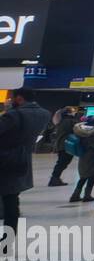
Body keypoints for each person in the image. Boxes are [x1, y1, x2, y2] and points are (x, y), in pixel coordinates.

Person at [0, 88, 52, 231]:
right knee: (11, 203)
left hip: (4, 160)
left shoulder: (13, 115)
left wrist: (7, 112)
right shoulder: (45, 114)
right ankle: (7, 244)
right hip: (21, 161)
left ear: (19, 99)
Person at [71, 115, 94, 202]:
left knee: (83, 176)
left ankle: (75, 195)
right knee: (92, 175)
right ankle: (87, 195)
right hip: (93, 157)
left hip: (83, 156)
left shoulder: (82, 129)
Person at [47, 106, 79, 187]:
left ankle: (55, 178)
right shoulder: (70, 121)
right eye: (72, 111)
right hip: (67, 145)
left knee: (61, 162)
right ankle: (54, 179)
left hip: (61, 145)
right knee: (62, 163)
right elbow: (78, 130)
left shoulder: (62, 121)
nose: (74, 113)